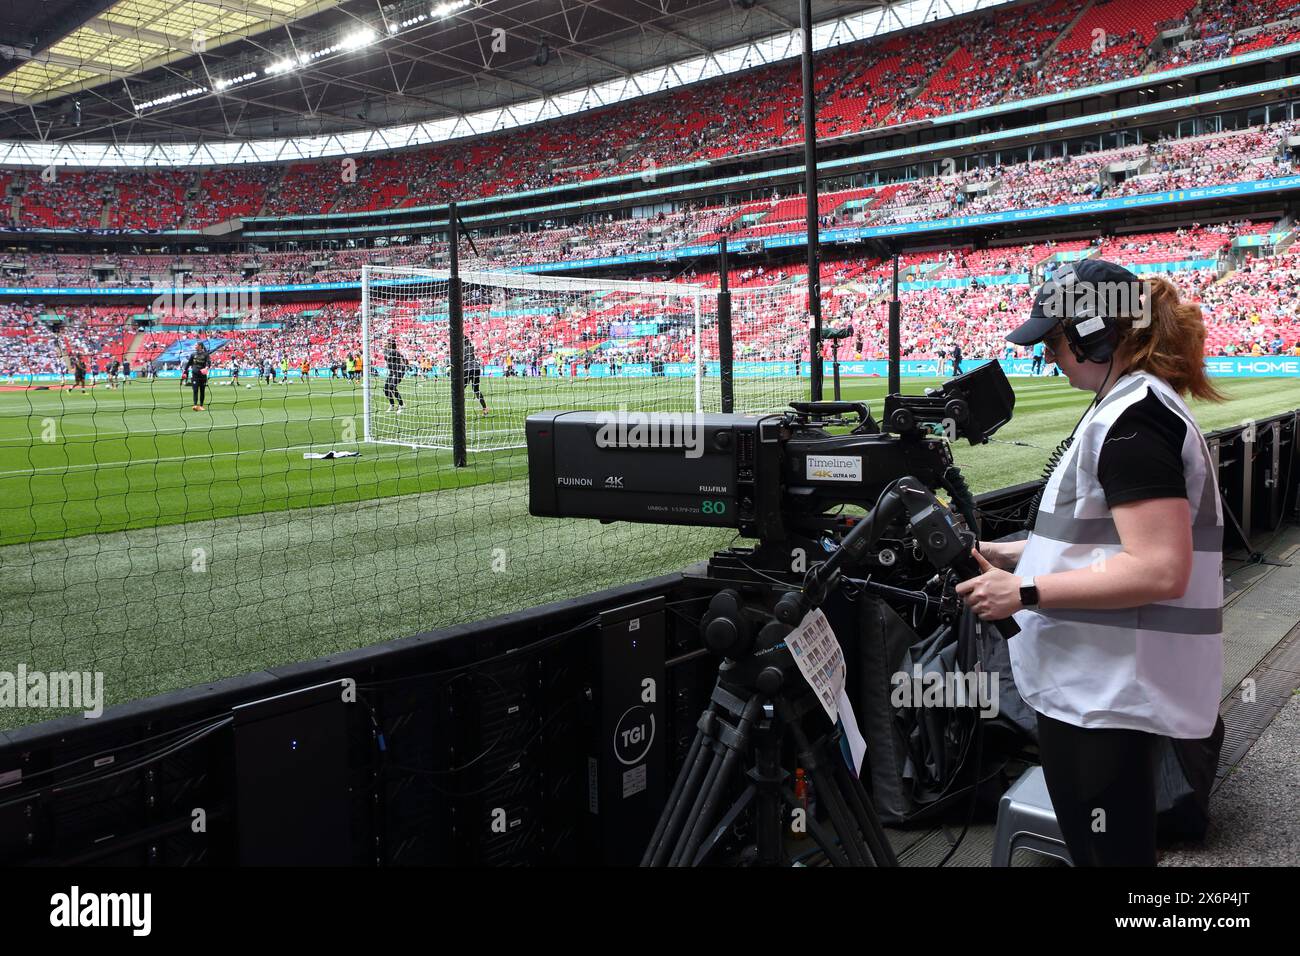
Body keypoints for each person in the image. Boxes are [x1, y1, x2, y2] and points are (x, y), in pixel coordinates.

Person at [957, 259, 1224, 867]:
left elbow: (1159, 568)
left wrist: (1022, 593)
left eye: (1053, 339)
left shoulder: (1135, 422)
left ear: (1096, 334)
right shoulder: (1127, 406)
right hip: (1100, 689)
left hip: (1110, 696)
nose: (1049, 355)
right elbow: (1104, 540)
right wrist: (1012, 554)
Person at [182, 342, 212, 411]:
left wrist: (206, 368)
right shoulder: (193, 354)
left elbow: (208, 362)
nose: (195, 346)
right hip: (195, 375)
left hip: (203, 375)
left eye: (196, 345)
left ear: (200, 346)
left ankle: (201, 405)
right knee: (195, 390)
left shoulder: (206, 354)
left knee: (202, 390)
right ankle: (195, 405)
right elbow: (188, 364)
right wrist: (185, 372)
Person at [463, 334, 489, 415]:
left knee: (460, 389)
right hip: (476, 368)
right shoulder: (471, 347)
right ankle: (485, 408)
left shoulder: (461, 348)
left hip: (467, 368)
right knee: (476, 389)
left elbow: (462, 359)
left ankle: (459, 409)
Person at [383, 336, 406, 415]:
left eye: (387, 343)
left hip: (398, 371)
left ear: (390, 344)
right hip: (392, 372)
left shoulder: (393, 352)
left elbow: (387, 358)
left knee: (392, 387)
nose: (386, 344)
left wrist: (384, 350)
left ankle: (401, 404)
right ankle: (392, 405)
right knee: (386, 388)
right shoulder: (391, 351)